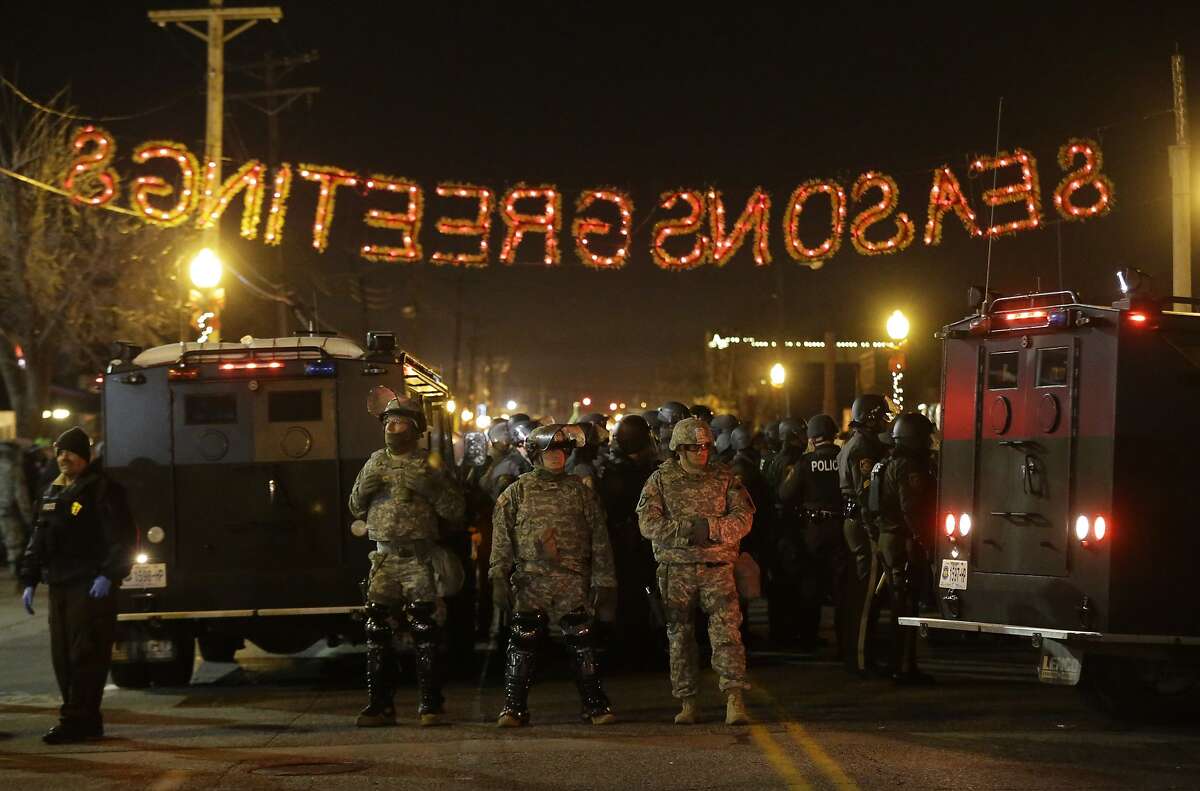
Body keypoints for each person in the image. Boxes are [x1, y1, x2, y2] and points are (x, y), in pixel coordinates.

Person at [350, 396, 466, 727]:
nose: (391, 429)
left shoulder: (430, 463)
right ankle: (379, 705)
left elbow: (456, 511)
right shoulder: (374, 462)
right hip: (384, 558)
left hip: (419, 557)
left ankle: (430, 703)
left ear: (413, 429)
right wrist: (364, 491)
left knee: (424, 628)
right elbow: (355, 506)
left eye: (398, 423)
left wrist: (431, 490)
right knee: (377, 629)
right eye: (387, 423)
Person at [490, 424, 617, 727]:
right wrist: (498, 576)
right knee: (523, 640)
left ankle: (595, 705)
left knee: (582, 640)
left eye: (561, 450)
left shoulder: (580, 493)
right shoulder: (516, 492)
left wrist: (605, 581)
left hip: (572, 579)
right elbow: (502, 538)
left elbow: (599, 538)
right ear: (535, 455)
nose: (556, 457)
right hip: (531, 580)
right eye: (549, 451)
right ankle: (513, 707)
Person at [636, 417, 755, 726]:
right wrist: (687, 531)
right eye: (692, 448)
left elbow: (744, 518)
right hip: (677, 570)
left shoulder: (725, 478)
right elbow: (648, 523)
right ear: (678, 449)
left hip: (717, 569)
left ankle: (734, 697)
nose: (699, 453)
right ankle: (688, 701)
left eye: (704, 446)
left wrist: (713, 529)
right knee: (680, 637)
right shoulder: (660, 481)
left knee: (727, 634)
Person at [19, 427, 133, 744]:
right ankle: (83, 719)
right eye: (59, 452)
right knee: (63, 656)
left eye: (70, 452)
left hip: (89, 586)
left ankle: (77, 720)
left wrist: (109, 574)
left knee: (86, 653)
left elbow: (122, 538)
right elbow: (37, 538)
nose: (63, 458)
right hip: (59, 584)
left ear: (85, 456)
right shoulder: (51, 491)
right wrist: (29, 578)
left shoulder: (103, 490)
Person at [871, 413, 937, 683]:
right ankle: (904, 667)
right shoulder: (907, 466)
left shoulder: (888, 462)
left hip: (890, 536)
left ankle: (899, 663)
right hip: (903, 539)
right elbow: (911, 509)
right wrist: (925, 540)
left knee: (900, 603)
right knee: (905, 605)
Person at [596, 415, 661, 668]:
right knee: (633, 598)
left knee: (634, 597)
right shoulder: (625, 473)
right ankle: (633, 649)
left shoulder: (617, 469)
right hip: (629, 544)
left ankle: (634, 645)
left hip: (629, 543)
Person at [778, 414, 846, 653]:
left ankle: (809, 637)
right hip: (841, 528)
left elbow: (785, 494)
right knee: (841, 586)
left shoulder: (805, 463)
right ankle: (845, 641)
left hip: (813, 530)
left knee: (811, 584)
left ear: (812, 437)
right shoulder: (843, 457)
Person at [837, 394, 891, 675]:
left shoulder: (854, 443)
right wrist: (873, 528)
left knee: (863, 592)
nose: (884, 421)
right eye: (881, 415)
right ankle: (860, 659)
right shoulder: (864, 447)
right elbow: (865, 491)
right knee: (867, 594)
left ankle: (859, 655)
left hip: (855, 520)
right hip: (862, 521)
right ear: (870, 417)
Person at [763, 416, 807, 647]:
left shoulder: (772, 459)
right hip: (788, 525)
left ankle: (779, 631)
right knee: (790, 581)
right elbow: (788, 493)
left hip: (776, 526)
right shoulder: (791, 460)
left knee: (779, 581)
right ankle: (788, 634)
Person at [1, 440, 33, 575]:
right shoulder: (13, 467)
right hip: (8, 513)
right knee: (14, 545)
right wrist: (29, 518)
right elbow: (21, 495)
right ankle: (16, 575)